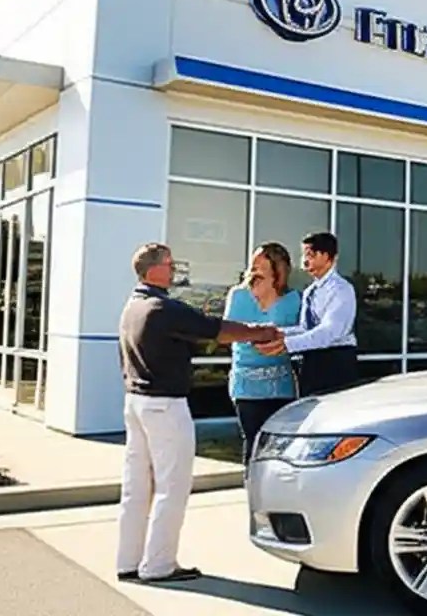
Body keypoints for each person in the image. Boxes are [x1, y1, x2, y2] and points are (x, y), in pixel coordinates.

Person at [116, 242, 279, 583]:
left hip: (135, 403)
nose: (175, 269)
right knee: (171, 487)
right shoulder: (163, 307)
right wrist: (261, 332)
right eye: (170, 263)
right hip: (165, 406)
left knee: (136, 487)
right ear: (154, 270)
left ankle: (128, 561)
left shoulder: (132, 305)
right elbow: (216, 329)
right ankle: (159, 566)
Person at [223, 242, 302, 466]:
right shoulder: (239, 295)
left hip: (282, 384)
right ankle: (252, 491)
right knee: (254, 441)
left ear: (277, 267)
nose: (254, 265)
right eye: (253, 262)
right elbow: (230, 332)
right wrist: (262, 335)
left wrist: (280, 339)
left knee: (281, 445)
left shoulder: (294, 299)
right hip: (246, 384)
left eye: (261, 261)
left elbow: (299, 334)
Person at [255, 232, 358, 396]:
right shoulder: (311, 291)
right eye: (304, 255)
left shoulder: (342, 290)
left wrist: (287, 344)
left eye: (310, 254)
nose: (304, 260)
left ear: (326, 256)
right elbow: (305, 328)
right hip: (311, 360)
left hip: (336, 363)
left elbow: (330, 332)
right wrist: (274, 333)